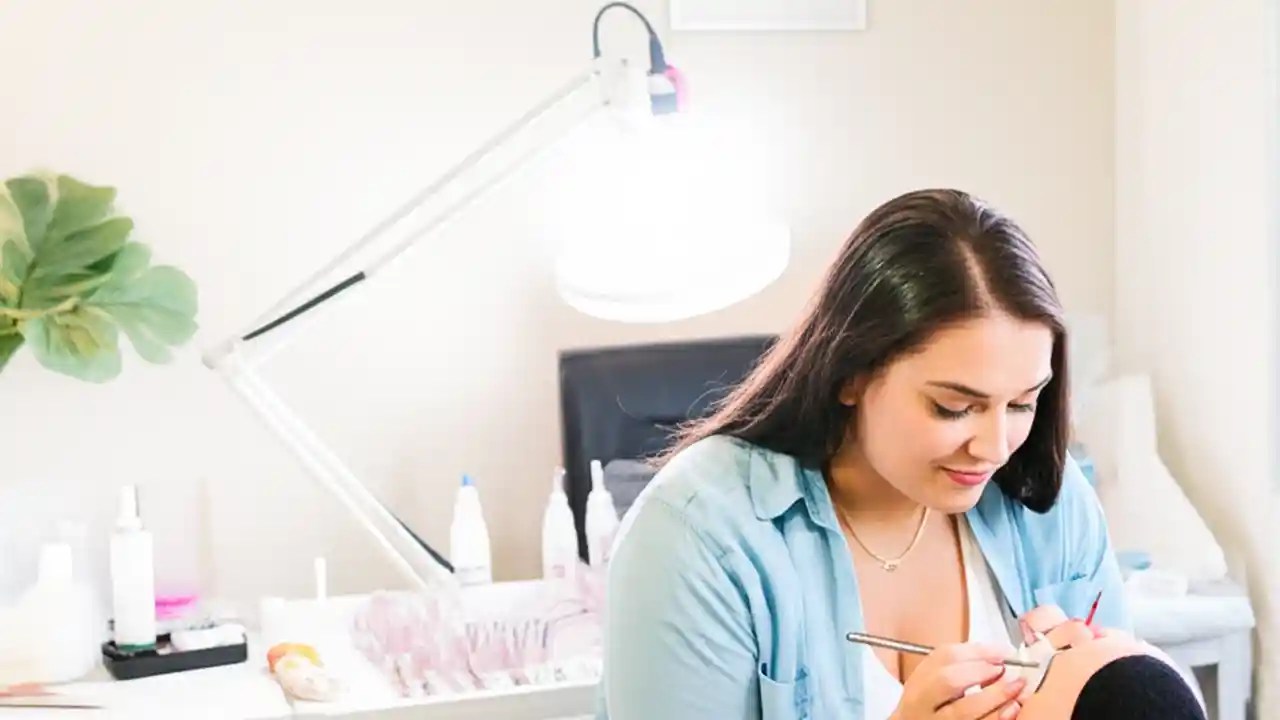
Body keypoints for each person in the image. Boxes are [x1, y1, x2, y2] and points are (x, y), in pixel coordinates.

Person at [598, 189, 1134, 719]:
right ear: (850, 374)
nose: (995, 449)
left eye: (1023, 403)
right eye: (954, 407)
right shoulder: (697, 536)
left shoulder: (1052, 505)